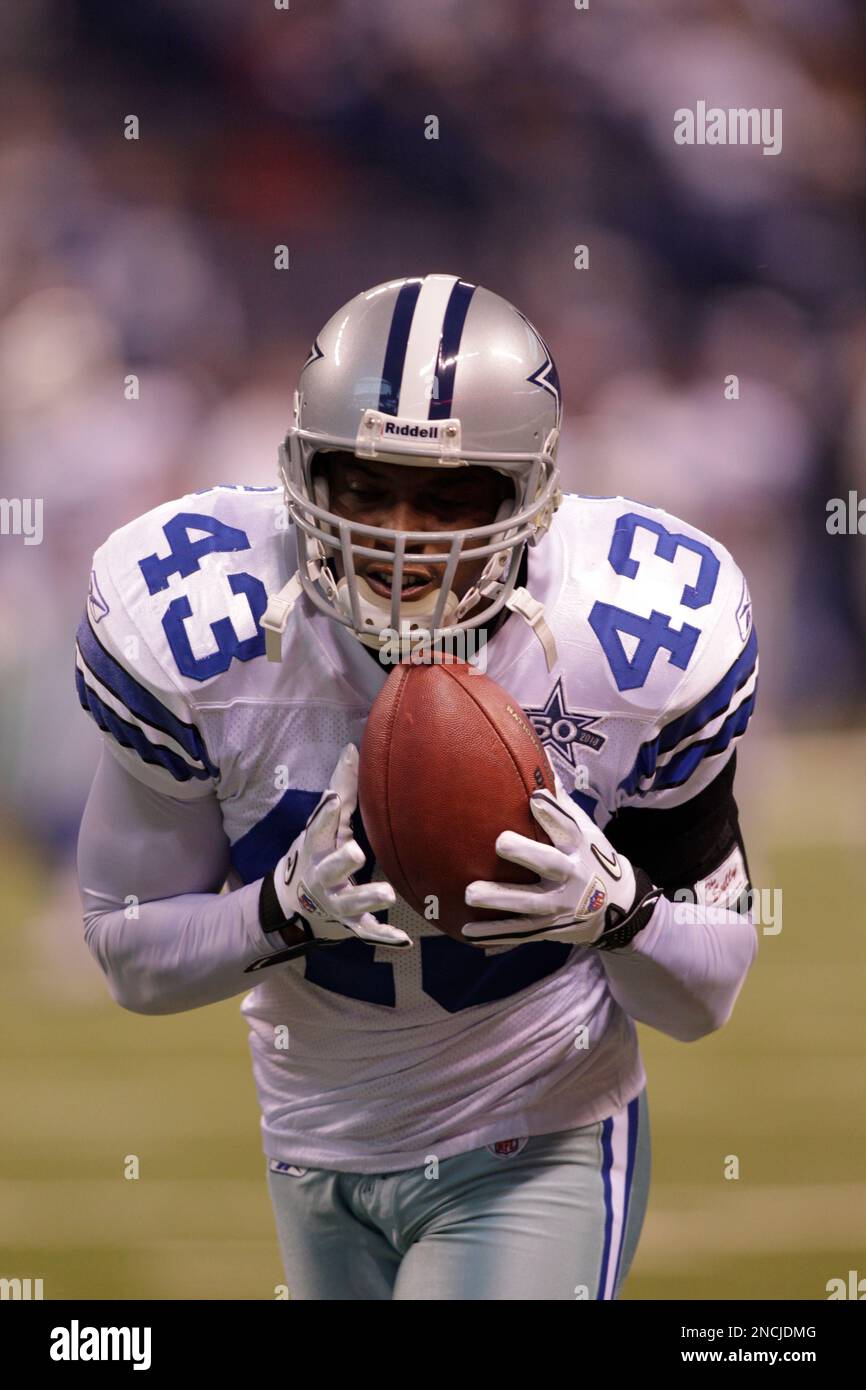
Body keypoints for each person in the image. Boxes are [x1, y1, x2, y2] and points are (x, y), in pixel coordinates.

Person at [75, 274, 758, 1300]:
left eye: (447, 497)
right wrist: (279, 912)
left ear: (528, 497)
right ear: (302, 472)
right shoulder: (200, 630)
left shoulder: (632, 634)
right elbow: (130, 952)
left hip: (534, 1127)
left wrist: (614, 912)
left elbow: (707, 992)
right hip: (311, 1140)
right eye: (364, 485)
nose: (399, 533)